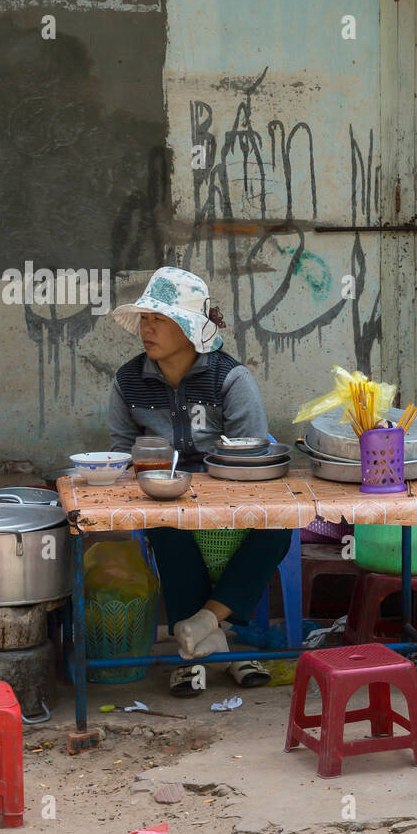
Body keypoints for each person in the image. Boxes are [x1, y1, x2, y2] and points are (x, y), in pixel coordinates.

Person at [107, 266, 288, 696]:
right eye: (145, 319)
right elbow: (120, 453)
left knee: (279, 529)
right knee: (167, 530)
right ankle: (221, 642)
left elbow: (251, 455)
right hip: (164, 499)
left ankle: (204, 628)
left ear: (189, 330)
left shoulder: (230, 379)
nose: (147, 329)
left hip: (229, 499)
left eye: (160, 320)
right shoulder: (127, 382)